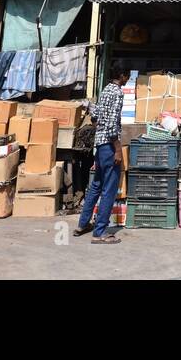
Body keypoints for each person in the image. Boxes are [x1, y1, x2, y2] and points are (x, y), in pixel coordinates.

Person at [75, 64, 127, 244]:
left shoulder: (105, 90)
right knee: (109, 190)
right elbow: (113, 123)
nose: (126, 80)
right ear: (121, 76)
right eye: (126, 76)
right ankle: (100, 232)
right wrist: (118, 149)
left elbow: (95, 113)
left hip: (99, 144)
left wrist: (101, 129)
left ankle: (82, 224)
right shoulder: (118, 93)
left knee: (96, 185)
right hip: (109, 146)